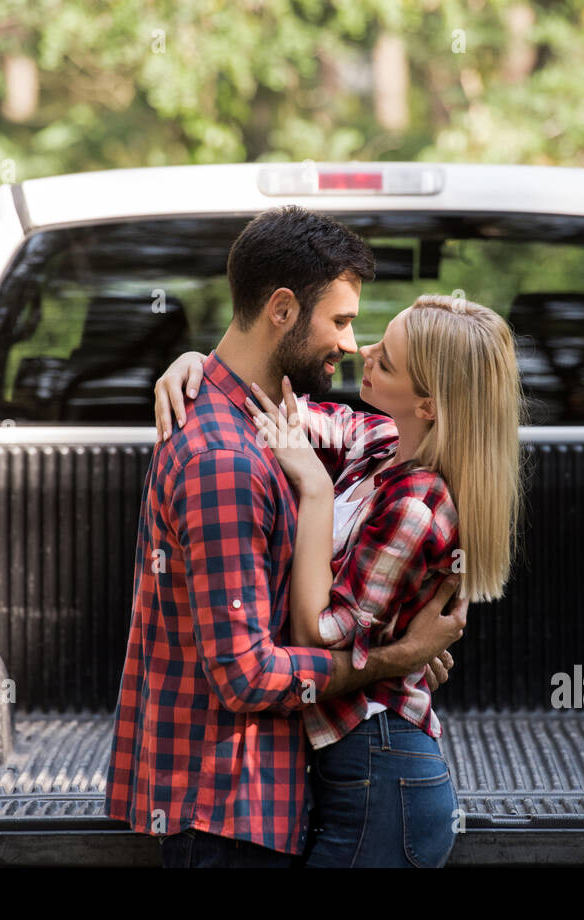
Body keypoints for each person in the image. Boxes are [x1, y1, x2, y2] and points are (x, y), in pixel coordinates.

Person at [104, 206, 468, 868]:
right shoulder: (227, 458)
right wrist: (395, 657)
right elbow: (246, 676)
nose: (352, 344)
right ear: (281, 310)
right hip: (226, 811)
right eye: (342, 320)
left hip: (257, 803)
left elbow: (401, 448)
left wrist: (193, 358)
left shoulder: (270, 425)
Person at [154, 293, 523, 866]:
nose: (362, 351)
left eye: (388, 360)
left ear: (427, 404)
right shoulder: (378, 440)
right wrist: (194, 363)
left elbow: (318, 635)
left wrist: (318, 491)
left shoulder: (418, 502)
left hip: (383, 773)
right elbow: (269, 407)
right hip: (350, 771)